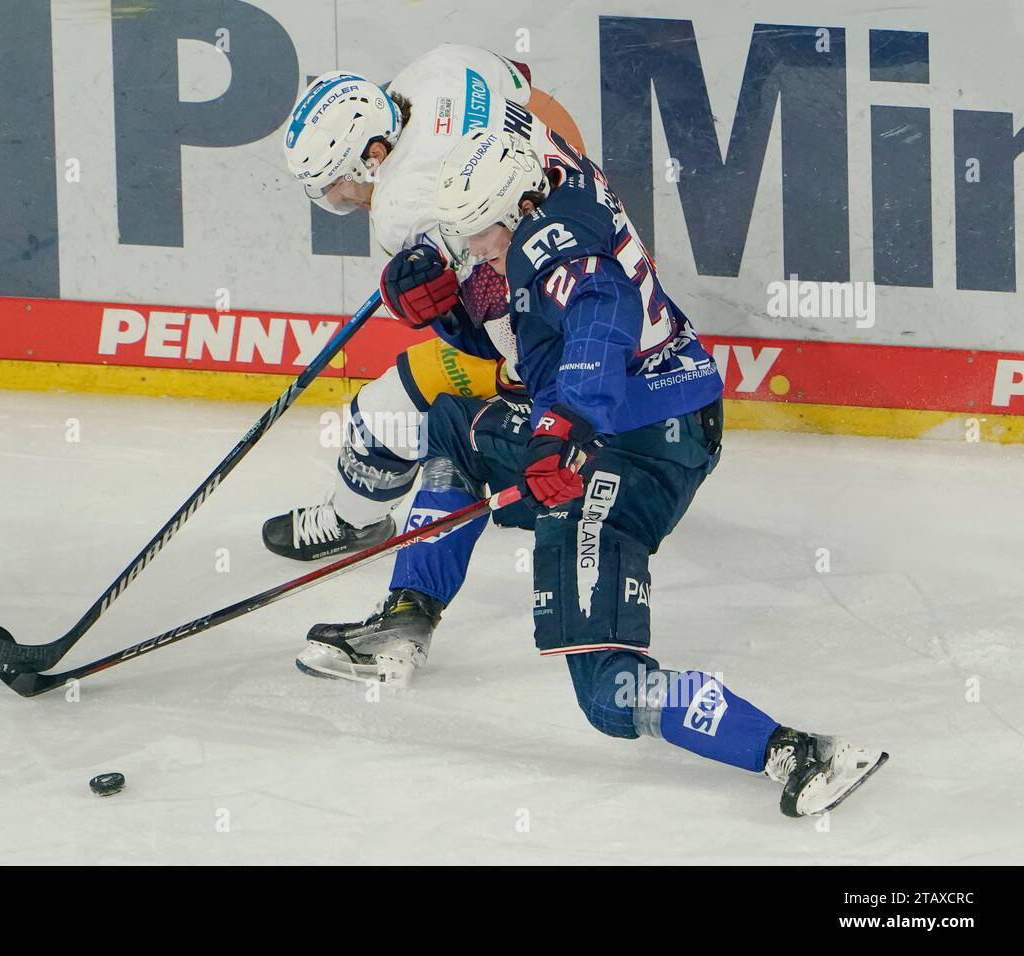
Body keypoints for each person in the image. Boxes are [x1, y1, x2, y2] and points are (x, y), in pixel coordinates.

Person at [304, 129, 888, 817]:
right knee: (454, 430)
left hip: (635, 447)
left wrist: (567, 425)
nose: (481, 253)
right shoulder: (548, 192)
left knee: (609, 690)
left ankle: (793, 750)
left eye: (484, 234)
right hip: (637, 419)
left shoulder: (554, 250)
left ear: (518, 206)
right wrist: (455, 318)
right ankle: (406, 623)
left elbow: (599, 312)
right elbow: (535, 352)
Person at [267, 45, 585, 565]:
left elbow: (501, 333)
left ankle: (355, 522)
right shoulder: (444, 66)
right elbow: (530, 91)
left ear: (371, 158)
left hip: (563, 352)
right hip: (601, 262)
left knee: (379, 416)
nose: (340, 200)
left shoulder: (401, 207)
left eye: (337, 184)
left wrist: (443, 312)